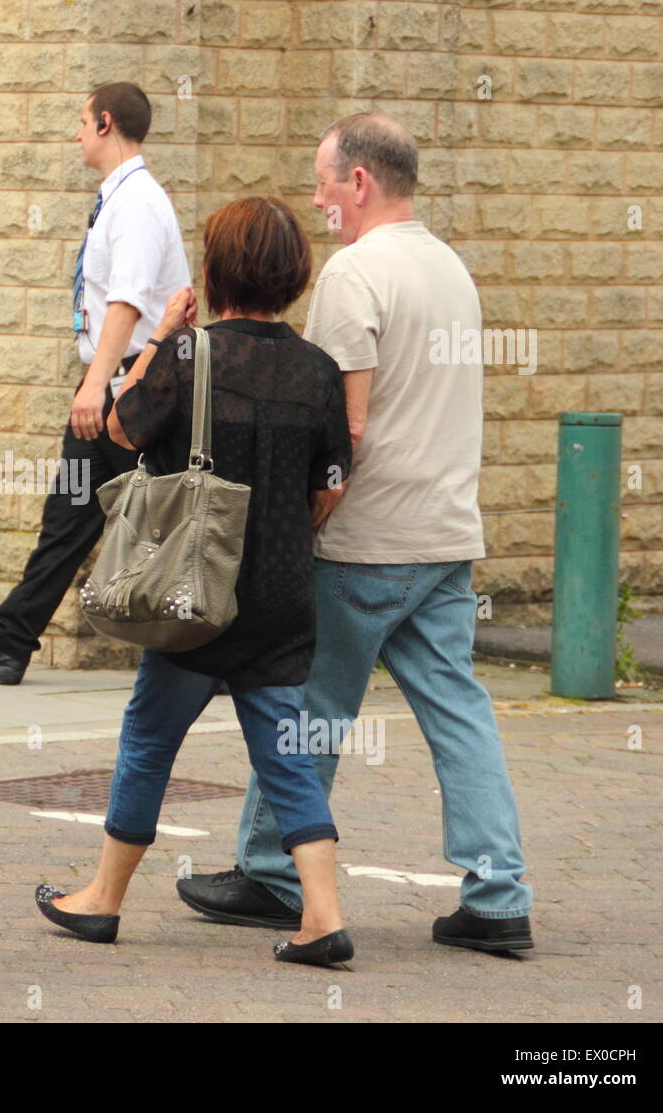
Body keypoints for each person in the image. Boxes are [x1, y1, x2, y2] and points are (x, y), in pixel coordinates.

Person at [177, 113, 535, 954]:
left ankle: (270, 872)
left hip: (365, 541)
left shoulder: (354, 274)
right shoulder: (451, 268)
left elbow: (347, 432)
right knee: (459, 715)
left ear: (360, 182)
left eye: (323, 182)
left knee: (305, 711)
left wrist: (305, 525)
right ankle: (498, 894)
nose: (316, 199)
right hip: (446, 533)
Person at [35, 197, 355, 965]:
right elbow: (332, 479)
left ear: (213, 272)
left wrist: (162, 337)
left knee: (149, 737)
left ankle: (103, 899)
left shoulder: (188, 354)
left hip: (196, 591)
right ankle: (324, 915)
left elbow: (117, 430)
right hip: (280, 593)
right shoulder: (318, 370)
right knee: (287, 752)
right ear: (294, 274)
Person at [0, 83, 191, 684]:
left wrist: (96, 385)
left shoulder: (137, 205)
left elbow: (126, 301)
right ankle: (9, 640)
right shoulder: (120, 199)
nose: (75, 134)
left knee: (177, 516)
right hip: (120, 379)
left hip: (137, 386)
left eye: (81, 122)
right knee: (72, 512)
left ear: (106, 123)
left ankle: (223, 649)